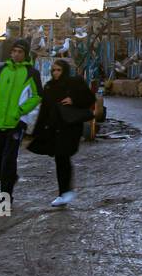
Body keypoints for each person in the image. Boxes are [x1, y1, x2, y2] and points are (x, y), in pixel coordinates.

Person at [28, 59, 95, 207]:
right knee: (60, 158)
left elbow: (90, 99)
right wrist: (38, 130)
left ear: (64, 70)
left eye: (58, 70)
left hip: (70, 127)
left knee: (63, 156)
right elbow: (44, 110)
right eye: (53, 70)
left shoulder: (74, 83)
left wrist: (74, 100)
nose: (56, 73)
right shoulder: (50, 86)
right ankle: (64, 193)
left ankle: (65, 192)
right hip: (54, 128)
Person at [0, 38, 42, 206]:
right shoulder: (0, 71)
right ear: (11, 52)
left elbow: (37, 96)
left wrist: (20, 112)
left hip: (16, 123)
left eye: (20, 52)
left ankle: (5, 199)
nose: (17, 54)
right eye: (14, 51)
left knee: (8, 160)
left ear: (25, 54)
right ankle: (10, 178)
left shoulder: (32, 73)